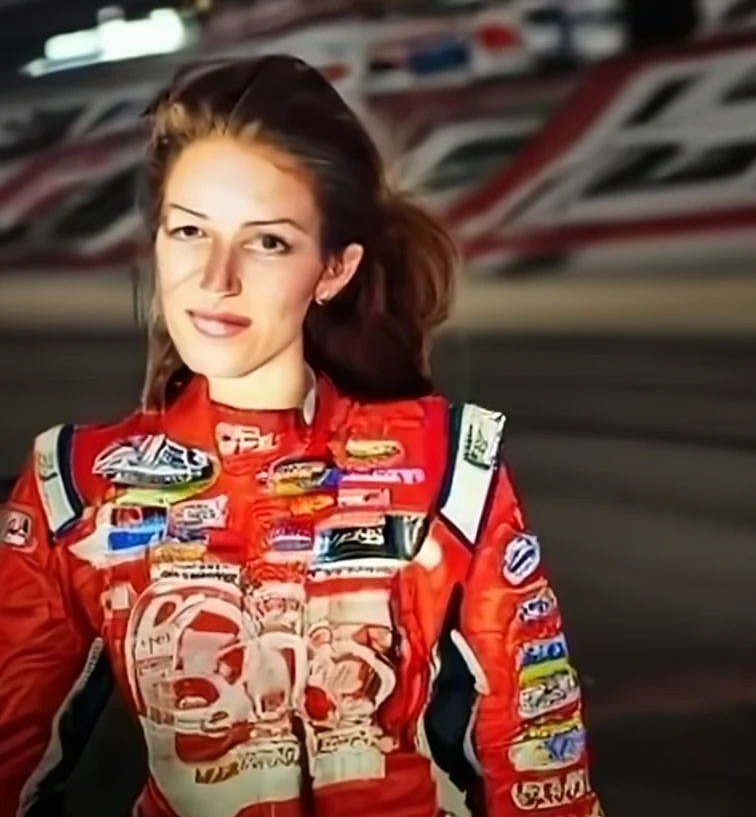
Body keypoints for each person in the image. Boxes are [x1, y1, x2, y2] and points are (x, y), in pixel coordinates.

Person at [0, 56, 604, 817]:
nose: (214, 280)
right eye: (189, 230)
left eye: (269, 243)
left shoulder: (450, 468)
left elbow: (540, 760)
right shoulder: (74, 486)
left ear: (334, 269)